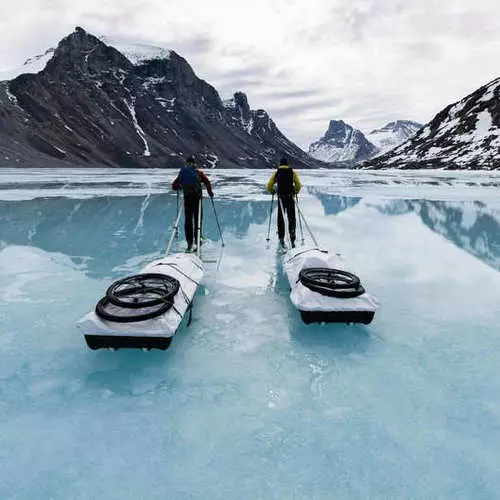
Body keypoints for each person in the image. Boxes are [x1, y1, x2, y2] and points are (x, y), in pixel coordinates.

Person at [172, 156, 214, 252]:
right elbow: (207, 182)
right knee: (198, 220)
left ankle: (189, 244)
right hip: (197, 199)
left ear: (186, 163)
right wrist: (210, 193)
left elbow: (174, 185)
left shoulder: (183, 173)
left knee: (188, 221)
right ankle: (197, 241)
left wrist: (180, 188)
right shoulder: (198, 172)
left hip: (187, 199)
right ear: (194, 163)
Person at [266, 156, 302, 248]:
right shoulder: (292, 172)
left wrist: (272, 191)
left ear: (280, 164)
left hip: (281, 198)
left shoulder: (277, 172)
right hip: (290, 198)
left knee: (281, 219)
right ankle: (292, 237)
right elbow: (298, 184)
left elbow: (269, 185)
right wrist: (295, 191)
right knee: (291, 218)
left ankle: (281, 238)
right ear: (287, 164)